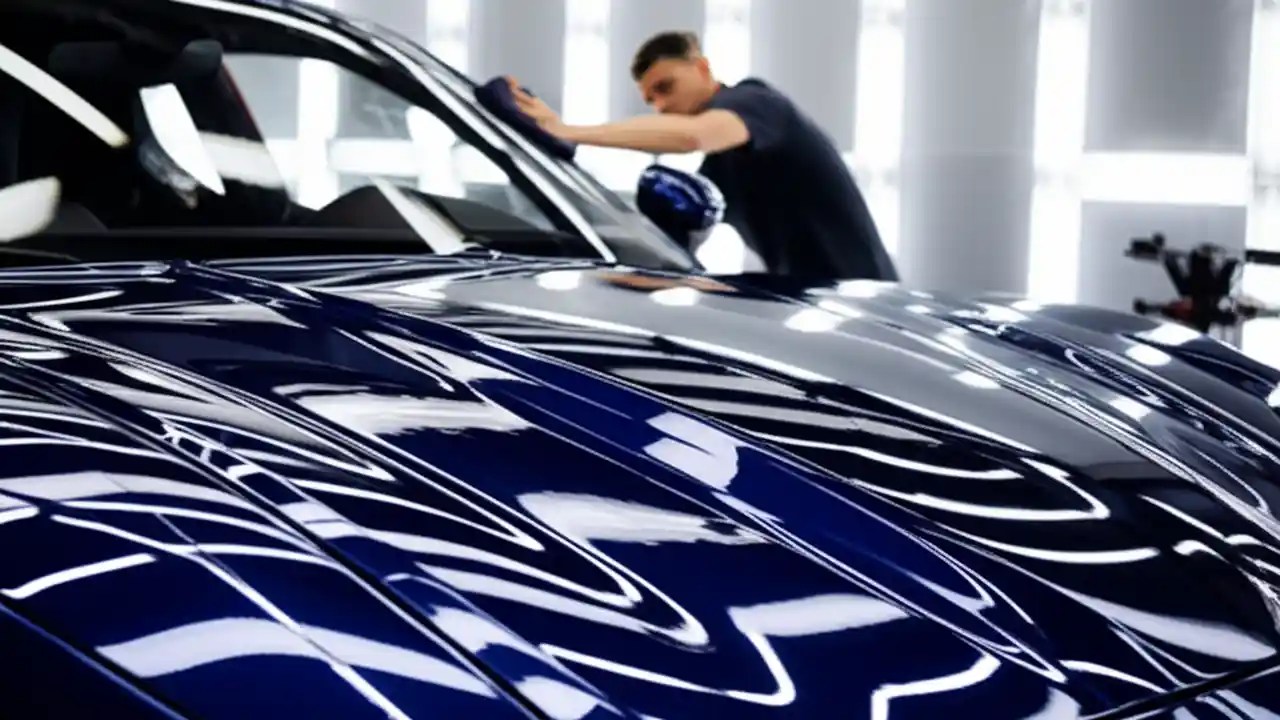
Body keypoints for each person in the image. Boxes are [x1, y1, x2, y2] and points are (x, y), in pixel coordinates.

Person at [508, 31, 898, 282]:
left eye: (665, 88)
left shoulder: (756, 104)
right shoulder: (719, 168)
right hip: (804, 296)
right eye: (650, 99)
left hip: (859, 295)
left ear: (702, 67)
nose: (660, 106)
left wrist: (568, 131)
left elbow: (692, 136)